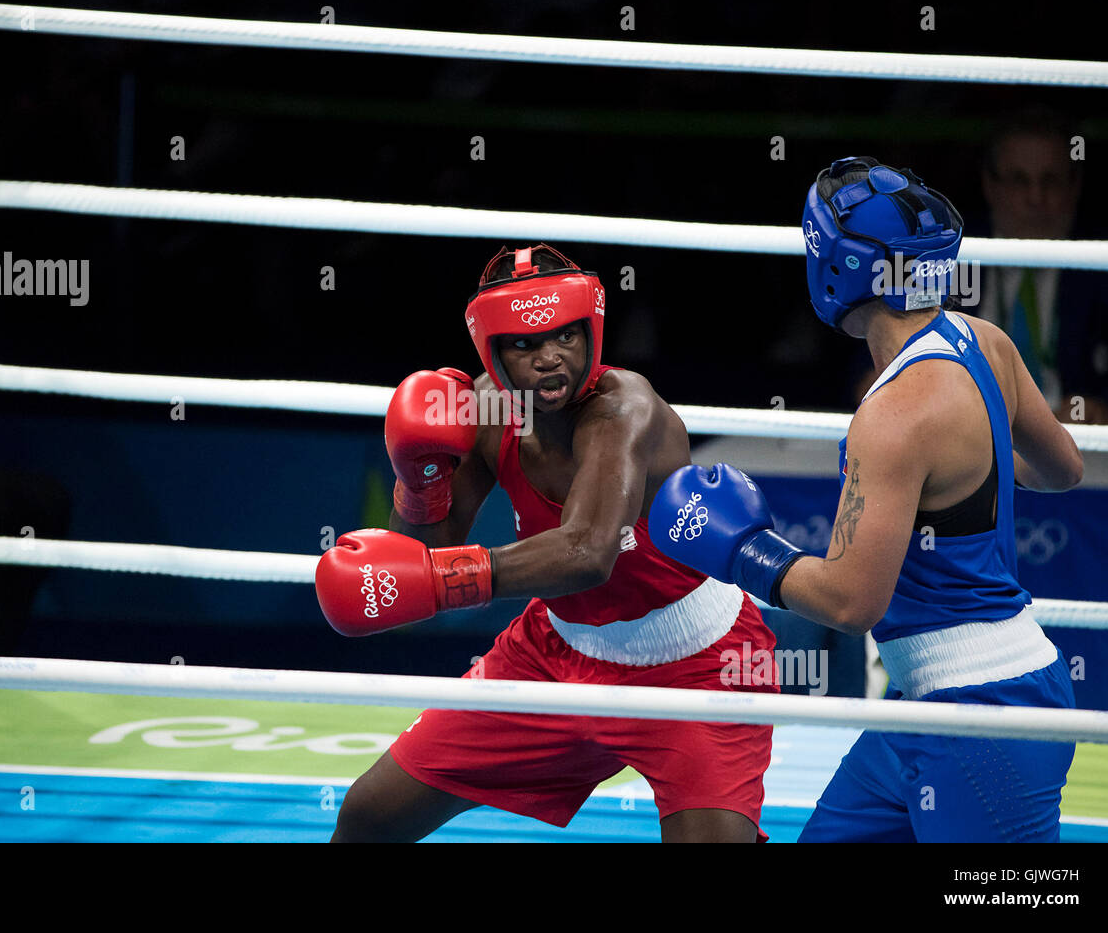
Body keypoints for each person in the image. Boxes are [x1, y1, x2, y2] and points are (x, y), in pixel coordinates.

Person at [648, 158, 1084, 842]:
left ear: (838, 267)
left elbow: (853, 604)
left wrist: (741, 551)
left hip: (984, 714)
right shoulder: (986, 344)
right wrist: (975, 466)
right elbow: (1063, 470)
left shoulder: (893, 417)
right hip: (919, 705)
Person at [315, 244, 778, 842]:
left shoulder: (626, 410)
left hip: (696, 667)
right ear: (493, 351)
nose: (550, 359)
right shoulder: (483, 409)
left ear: (592, 332)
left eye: (565, 336)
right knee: (367, 815)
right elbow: (427, 553)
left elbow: (587, 553)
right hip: (551, 657)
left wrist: (441, 580)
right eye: (525, 344)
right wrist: (419, 482)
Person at [973, 107, 1108, 423]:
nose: (1035, 197)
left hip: (1071, 445)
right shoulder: (950, 254)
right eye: (1018, 180)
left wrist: (1104, 409)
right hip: (967, 435)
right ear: (990, 184)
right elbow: (870, 365)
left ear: (1075, 185)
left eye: (1051, 181)